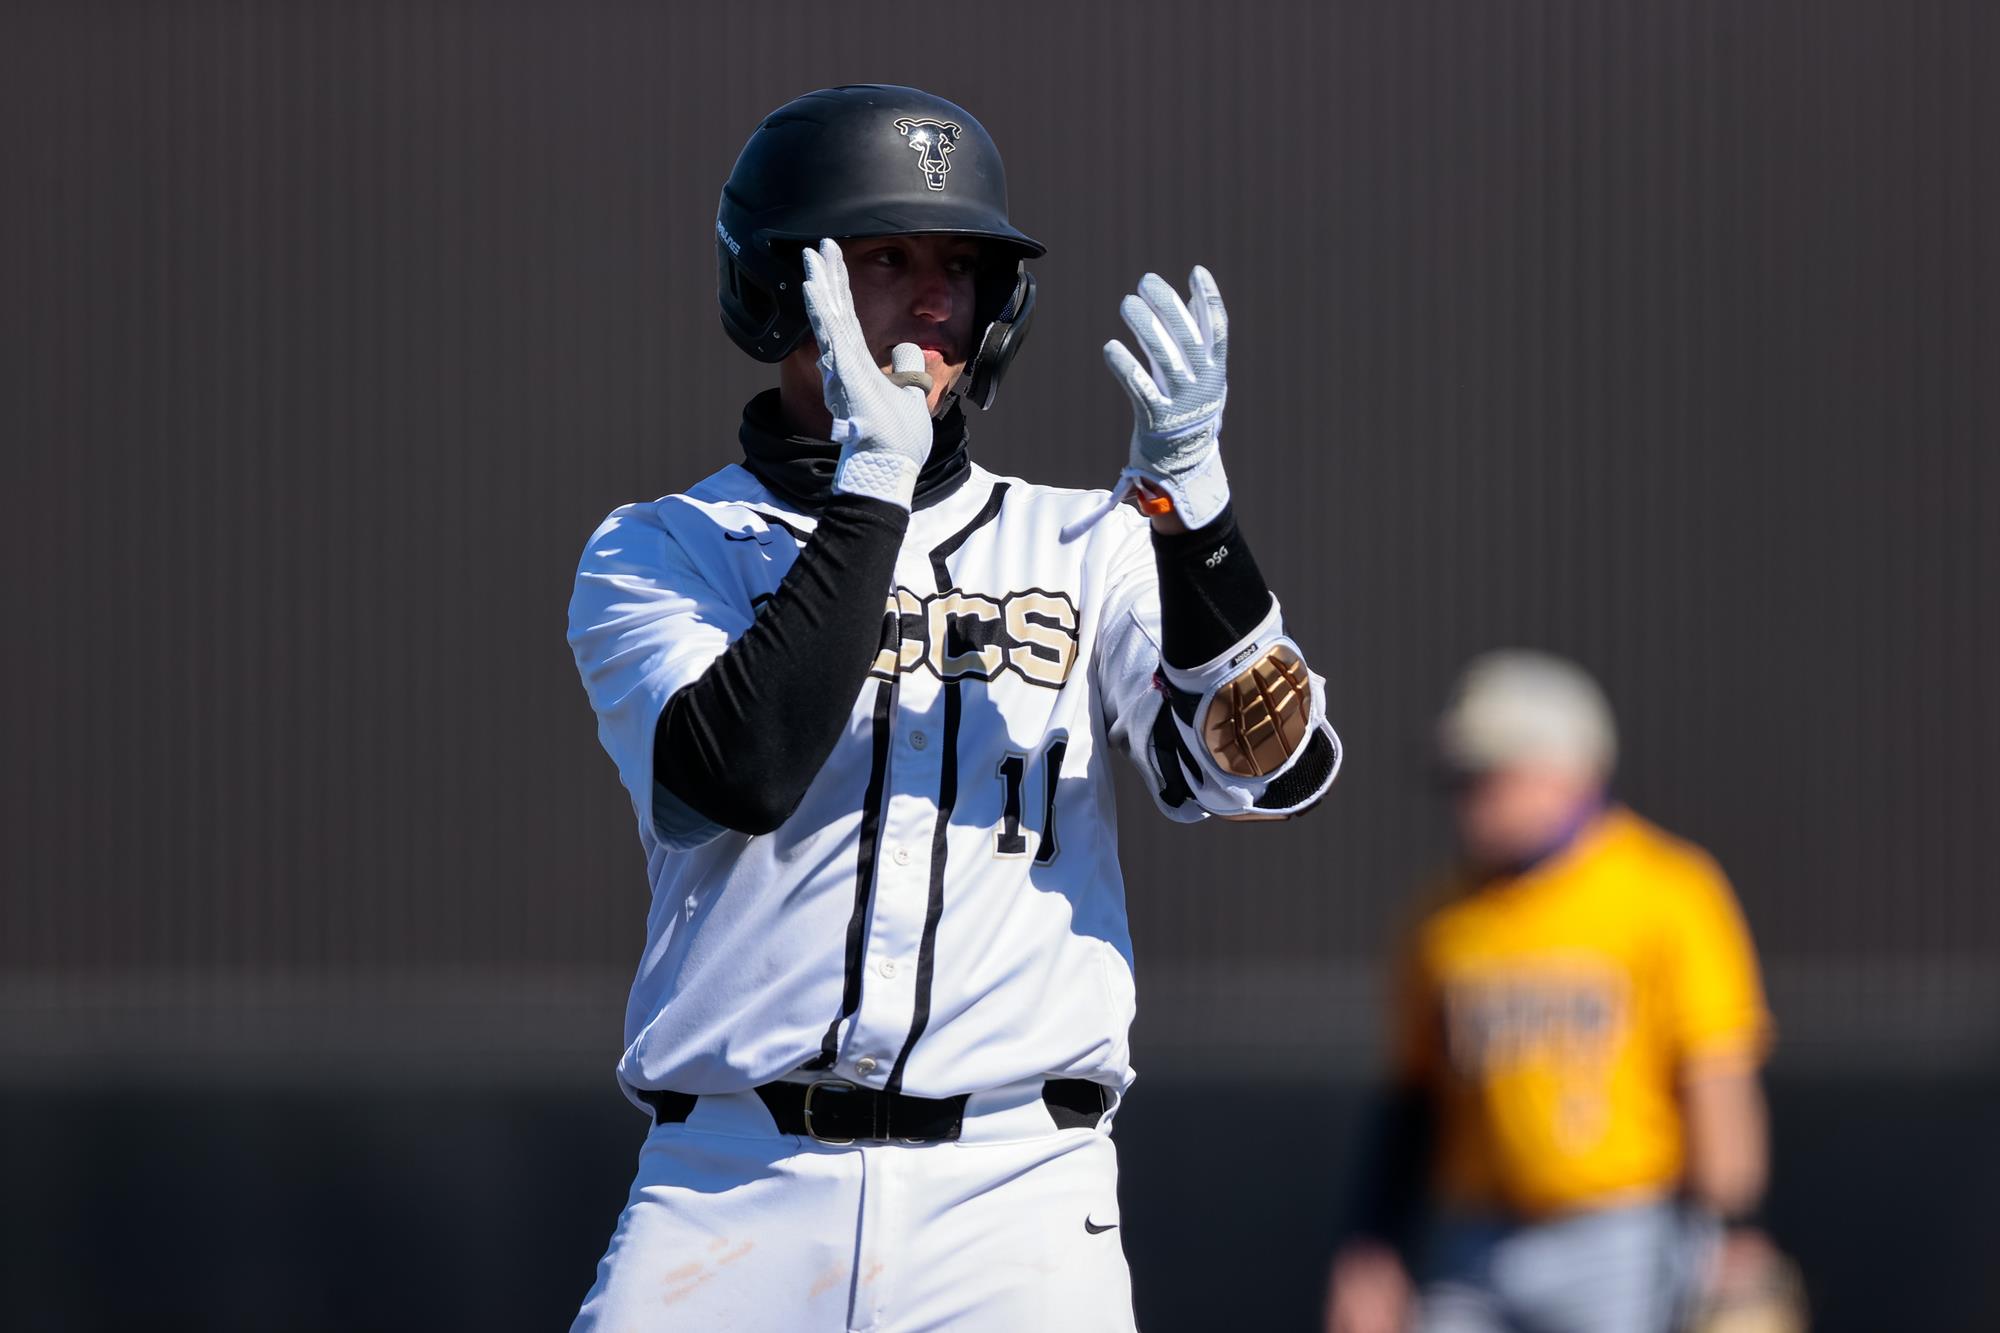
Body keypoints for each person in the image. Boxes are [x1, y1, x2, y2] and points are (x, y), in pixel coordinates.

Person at [566, 84, 1342, 1331]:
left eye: (961, 266)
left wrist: (1194, 519)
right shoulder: (663, 548)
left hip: (1018, 1193)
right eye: (884, 257)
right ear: (778, 284)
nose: (933, 300)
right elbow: (737, 773)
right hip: (734, 1184)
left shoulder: (1081, 537)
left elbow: (1262, 770)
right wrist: (873, 484)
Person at [1324, 650, 1778, 1333]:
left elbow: (1716, 1074)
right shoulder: (1440, 917)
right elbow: (1413, 1099)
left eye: (1488, 775)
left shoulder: (1668, 890)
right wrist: (1374, 1246)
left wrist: (1735, 1229)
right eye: (1460, 779)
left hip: (1621, 1234)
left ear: (1568, 771)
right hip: (1473, 1238)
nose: (1468, 797)